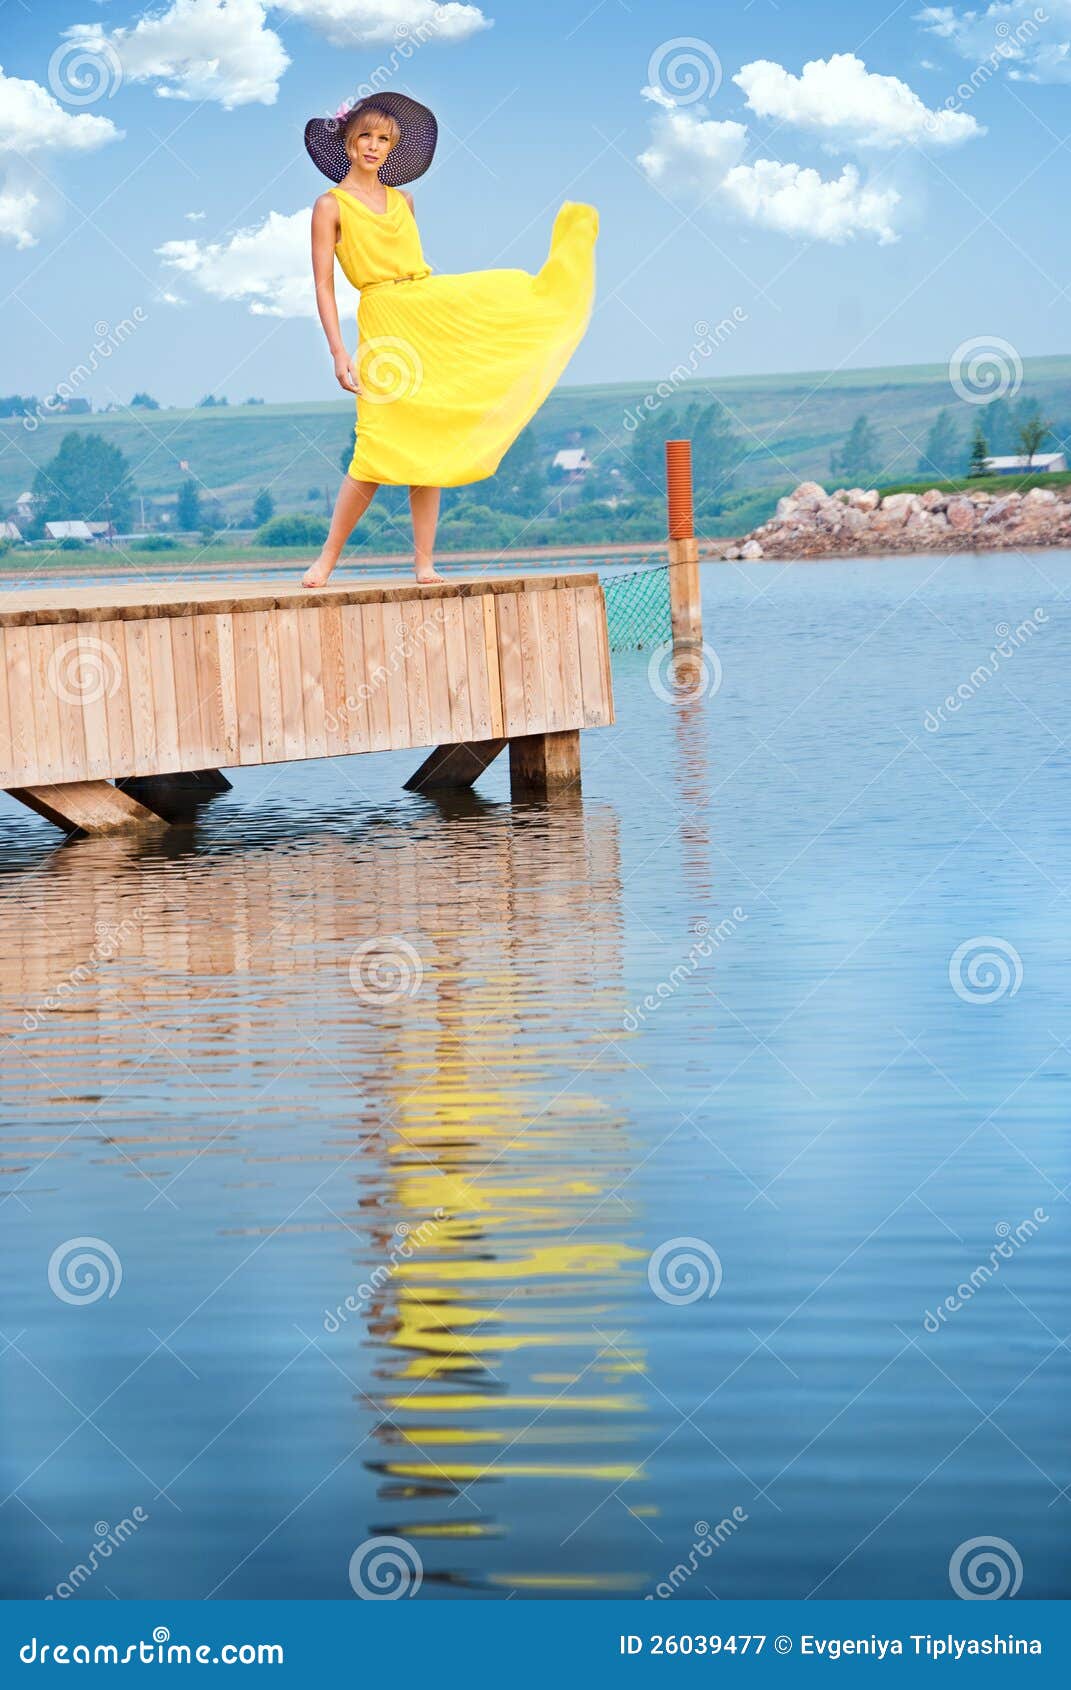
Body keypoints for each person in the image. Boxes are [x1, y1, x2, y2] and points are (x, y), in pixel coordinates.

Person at [300, 91, 598, 588]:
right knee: (374, 446)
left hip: (426, 312)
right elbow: (324, 285)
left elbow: (414, 266)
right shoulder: (329, 206)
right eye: (365, 136)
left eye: (384, 139)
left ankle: (424, 563)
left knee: (431, 440)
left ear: (392, 147)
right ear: (348, 141)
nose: (374, 146)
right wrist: (338, 351)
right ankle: (327, 559)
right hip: (383, 323)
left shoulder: (404, 201)